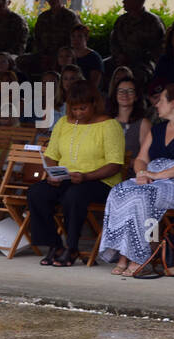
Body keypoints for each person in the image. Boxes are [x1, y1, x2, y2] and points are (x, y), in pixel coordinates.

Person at [100, 83, 174, 274]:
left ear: (173, 103)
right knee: (119, 191)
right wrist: (141, 173)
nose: (156, 104)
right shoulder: (157, 129)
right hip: (152, 180)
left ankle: (141, 255)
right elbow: (140, 158)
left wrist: (156, 176)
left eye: (161, 100)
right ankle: (123, 253)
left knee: (141, 197)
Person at [28, 79, 125, 267]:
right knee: (36, 193)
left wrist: (86, 176)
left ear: (94, 104)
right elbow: (51, 154)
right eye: (74, 109)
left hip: (99, 181)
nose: (78, 113)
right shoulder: (63, 123)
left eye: (83, 108)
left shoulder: (109, 125)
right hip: (67, 178)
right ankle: (54, 245)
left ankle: (72, 248)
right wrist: (52, 173)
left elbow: (115, 164)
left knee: (74, 195)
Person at [110, 0, 165, 87]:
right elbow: (114, 42)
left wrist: (135, 58)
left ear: (138, 1)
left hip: (143, 63)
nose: (123, 1)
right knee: (103, 66)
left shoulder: (152, 21)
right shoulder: (121, 21)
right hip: (120, 61)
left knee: (139, 75)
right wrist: (118, 55)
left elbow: (158, 48)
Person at [28, 0, 81, 74]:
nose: (52, 0)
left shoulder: (70, 16)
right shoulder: (43, 17)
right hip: (44, 55)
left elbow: (77, 40)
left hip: (64, 55)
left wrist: (61, 55)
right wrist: (42, 54)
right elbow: (37, 39)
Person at [107, 75, 150, 156]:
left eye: (130, 91)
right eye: (121, 91)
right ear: (115, 95)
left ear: (136, 96)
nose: (125, 94)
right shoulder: (107, 120)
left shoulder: (143, 124)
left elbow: (146, 159)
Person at [70, 24, 103, 91]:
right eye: (73, 36)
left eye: (79, 36)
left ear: (86, 38)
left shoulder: (94, 57)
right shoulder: (67, 54)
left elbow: (94, 84)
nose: (75, 40)